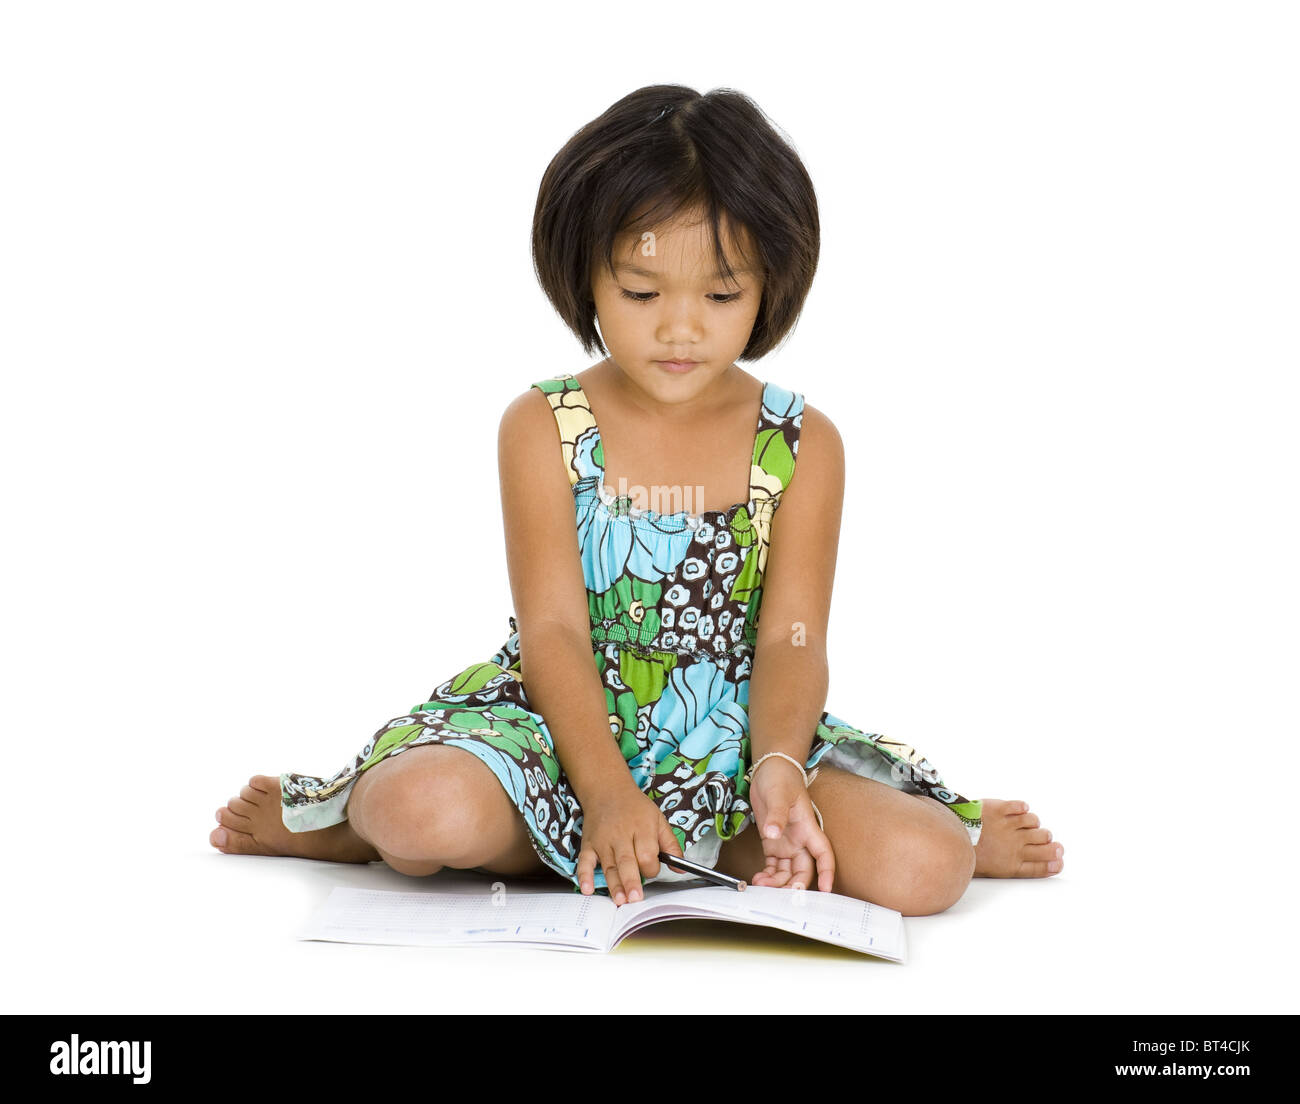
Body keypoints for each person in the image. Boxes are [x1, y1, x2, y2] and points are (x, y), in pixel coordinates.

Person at [209, 84, 1064, 915]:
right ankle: (366, 826)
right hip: (559, 723)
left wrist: (776, 766)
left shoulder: (802, 443)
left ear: (773, 284)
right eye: (643, 292)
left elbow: (791, 638)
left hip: (728, 736)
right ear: (585, 275)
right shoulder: (546, 425)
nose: (681, 328)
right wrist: (610, 791)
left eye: (722, 294)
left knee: (928, 869)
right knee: (420, 810)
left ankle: (836, 826)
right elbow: (552, 633)